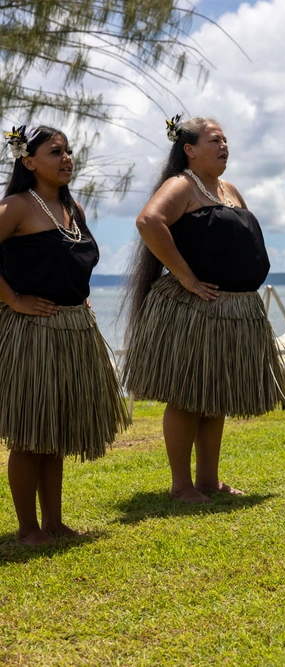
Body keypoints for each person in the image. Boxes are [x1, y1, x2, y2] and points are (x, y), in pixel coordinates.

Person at [122, 115, 285, 503]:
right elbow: (149, 221)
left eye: (226, 139)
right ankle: (181, 485)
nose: (224, 146)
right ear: (189, 150)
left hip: (233, 309)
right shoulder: (181, 185)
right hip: (196, 310)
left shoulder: (227, 188)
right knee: (186, 395)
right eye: (215, 140)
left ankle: (208, 480)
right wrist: (185, 277)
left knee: (214, 395)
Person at [0, 125, 129, 544]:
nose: (67, 157)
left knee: (54, 432)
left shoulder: (74, 208)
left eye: (69, 150)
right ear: (28, 161)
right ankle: (27, 528)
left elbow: (73, 265)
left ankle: (54, 522)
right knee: (31, 433)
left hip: (72, 330)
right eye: (56, 151)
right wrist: (14, 299)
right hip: (32, 333)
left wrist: (81, 299)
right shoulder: (17, 206)